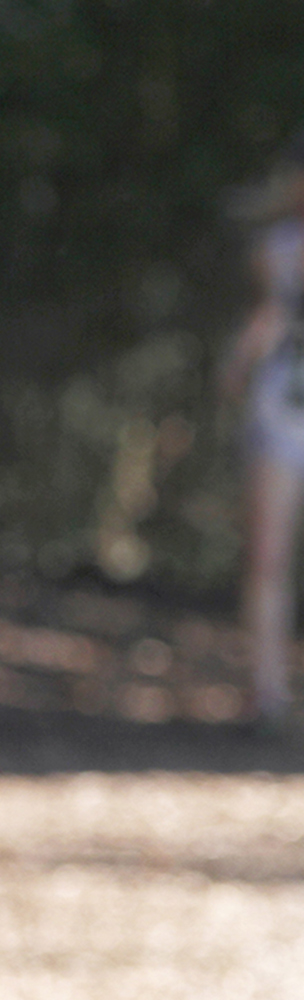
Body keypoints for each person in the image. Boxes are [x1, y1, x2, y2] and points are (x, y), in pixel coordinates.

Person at [222, 133, 304, 735]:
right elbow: (268, 320)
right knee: (267, 557)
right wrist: (238, 363)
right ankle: (268, 694)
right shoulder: (276, 249)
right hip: (283, 409)